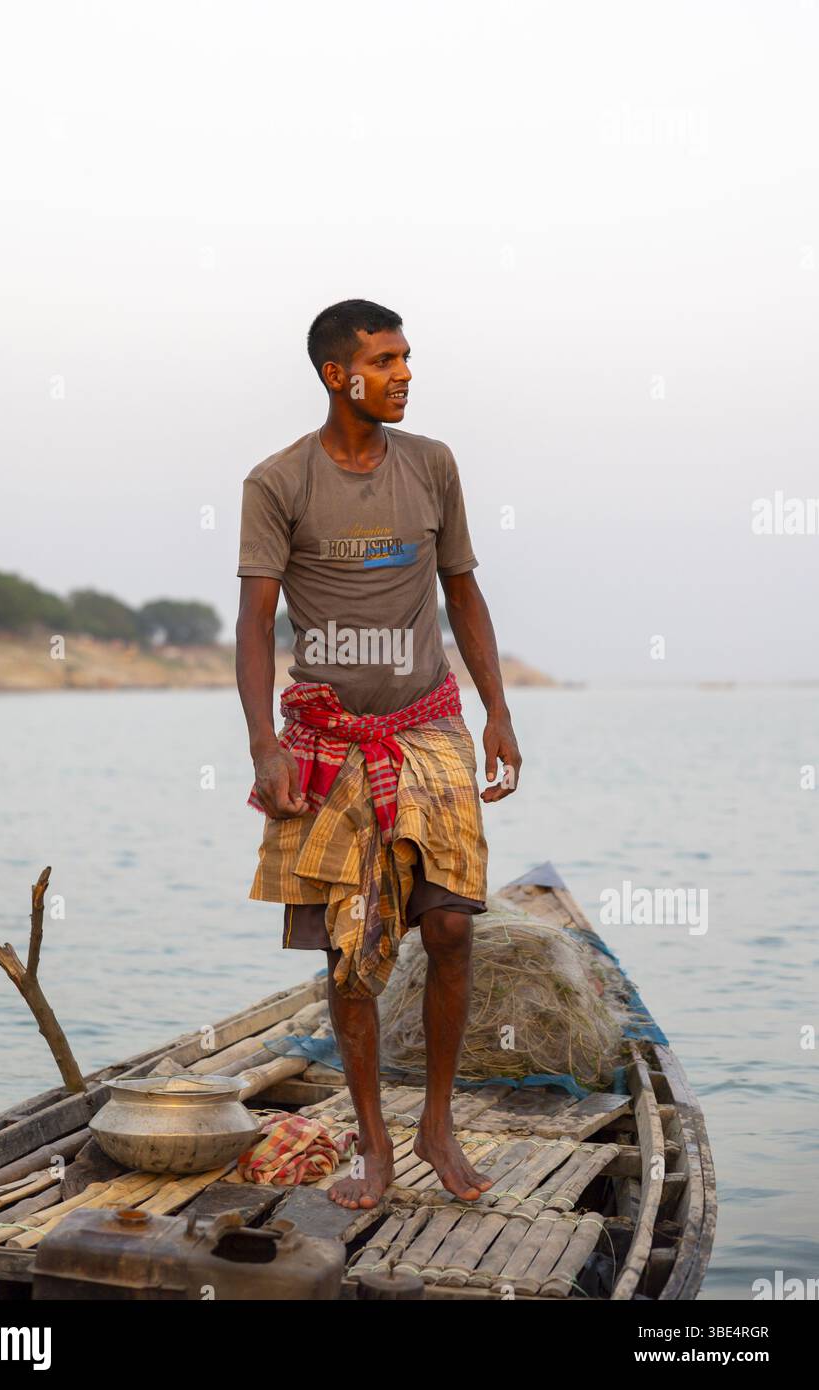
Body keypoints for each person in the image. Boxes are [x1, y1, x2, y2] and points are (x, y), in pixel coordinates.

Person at [236, 299, 521, 1210]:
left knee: (450, 926)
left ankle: (435, 1124)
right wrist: (264, 746)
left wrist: (498, 710)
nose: (403, 374)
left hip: (429, 722)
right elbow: (254, 625)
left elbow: (462, 593)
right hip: (328, 739)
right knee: (351, 949)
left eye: (406, 358)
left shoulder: (431, 465)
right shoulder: (277, 482)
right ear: (337, 375)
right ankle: (372, 1141)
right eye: (385, 360)